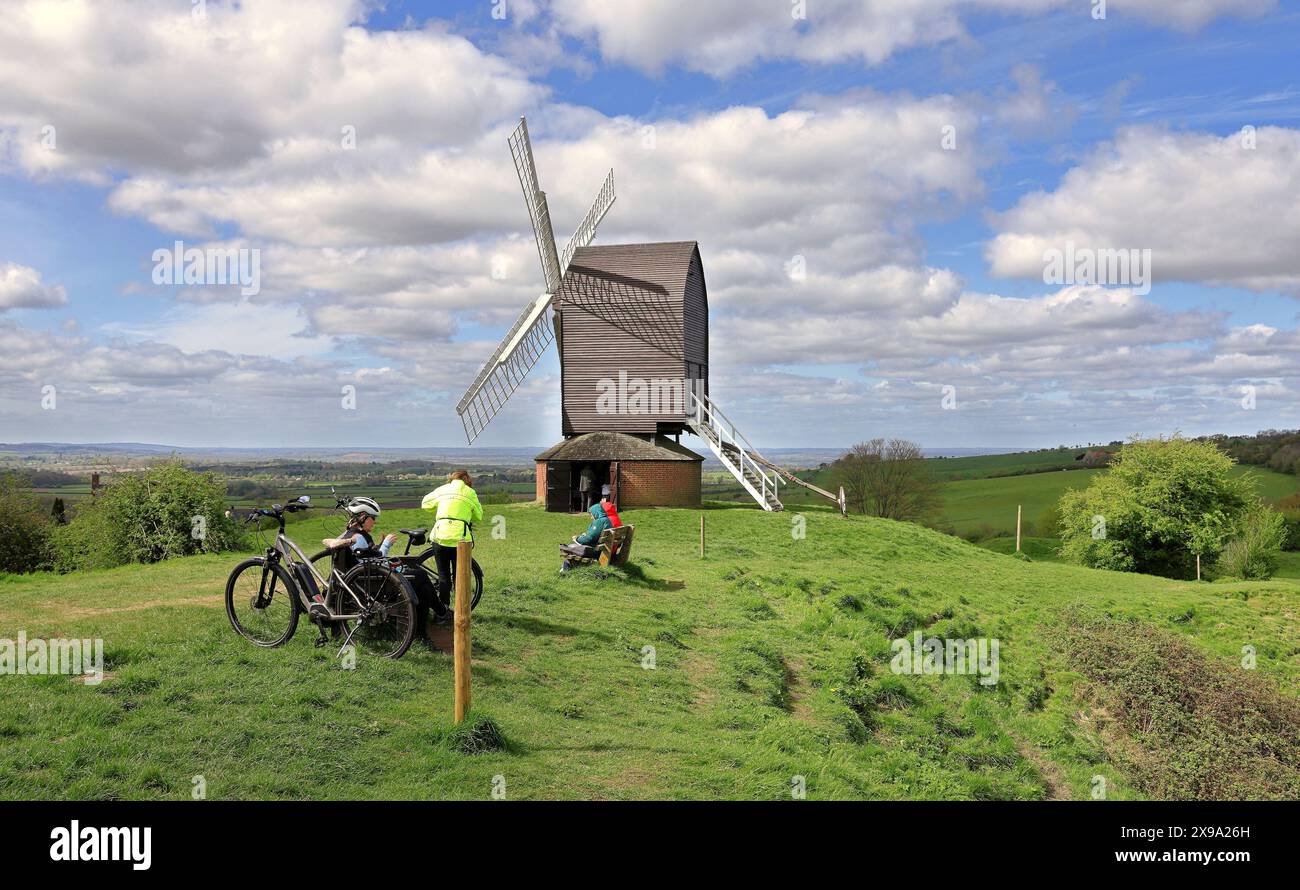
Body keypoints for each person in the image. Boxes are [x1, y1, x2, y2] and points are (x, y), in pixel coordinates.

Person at [318, 496, 397, 619]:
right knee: (420, 577)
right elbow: (371, 564)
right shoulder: (358, 538)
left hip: (359, 582)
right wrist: (385, 546)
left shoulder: (349, 535)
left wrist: (379, 546)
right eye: (373, 518)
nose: (374, 521)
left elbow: (367, 556)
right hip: (369, 584)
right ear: (363, 517)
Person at [421, 470, 483, 619]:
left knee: (443, 576)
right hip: (460, 540)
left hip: (440, 536)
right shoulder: (470, 492)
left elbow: (425, 504)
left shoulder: (443, 489)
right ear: (467, 479)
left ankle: (442, 611)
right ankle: (461, 611)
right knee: (459, 576)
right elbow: (479, 516)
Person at [560, 497, 622, 562]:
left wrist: (577, 538)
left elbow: (589, 538)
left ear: (596, 513)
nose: (591, 518)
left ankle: (565, 570)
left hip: (599, 552)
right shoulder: (613, 519)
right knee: (571, 548)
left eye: (591, 515)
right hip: (610, 550)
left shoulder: (600, 521)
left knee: (569, 547)